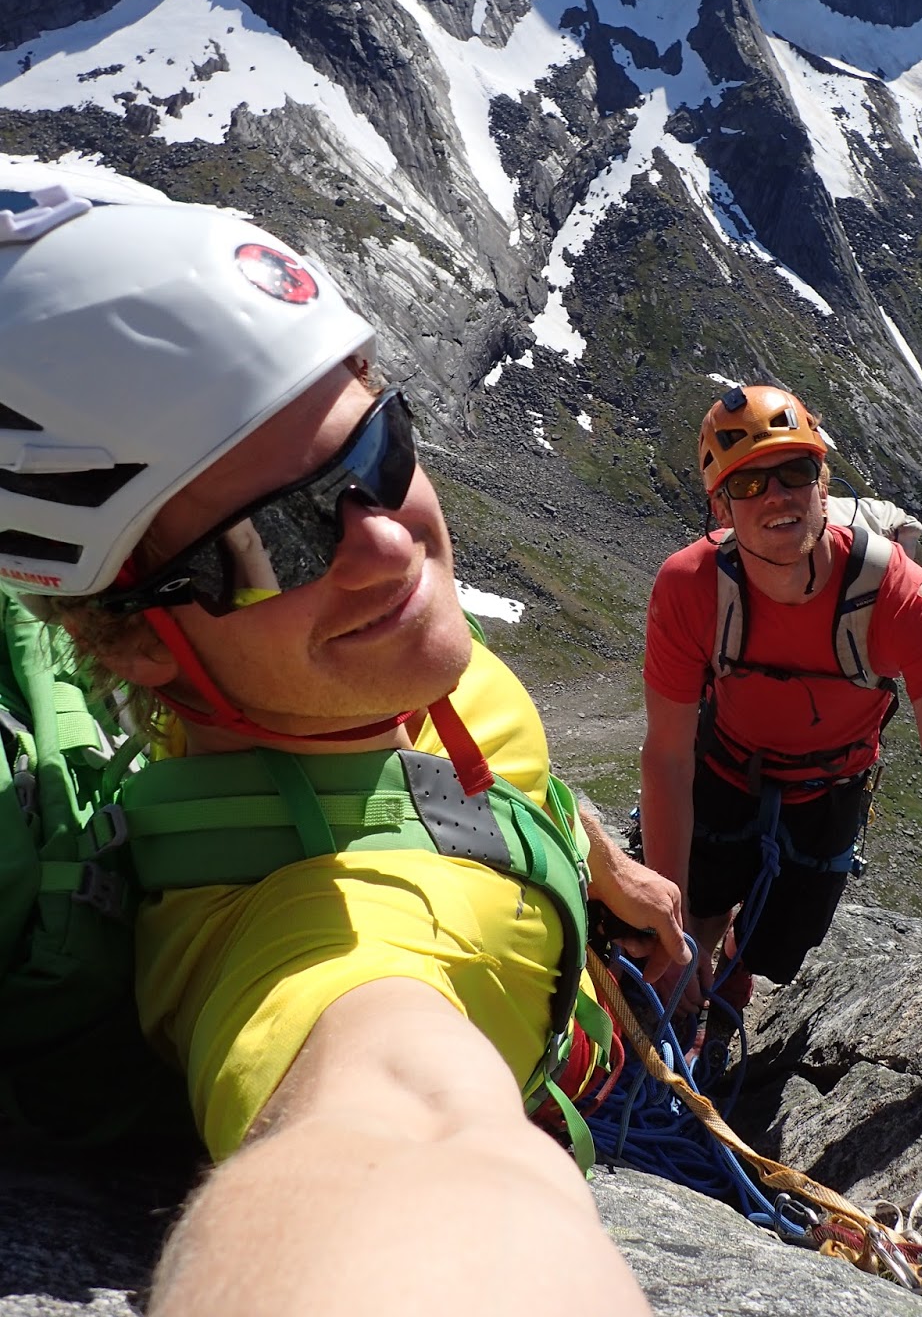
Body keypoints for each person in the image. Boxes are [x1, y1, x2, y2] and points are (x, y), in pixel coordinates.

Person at [0, 170, 688, 1317]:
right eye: (278, 537)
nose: (386, 544)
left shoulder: (369, 675)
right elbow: (400, 1132)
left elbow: (446, 780)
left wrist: (587, 850)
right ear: (140, 645)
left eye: (376, 451)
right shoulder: (298, 934)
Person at [639, 383, 922, 1108]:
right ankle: (701, 971)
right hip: (722, 767)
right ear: (720, 510)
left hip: (831, 790)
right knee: (697, 912)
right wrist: (672, 936)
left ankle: (737, 967)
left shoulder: (906, 601)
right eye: (750, 483)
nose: (778, 495)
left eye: (795, 471)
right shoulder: (689, 589)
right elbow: (665, 757)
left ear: (824, 482)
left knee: (778, 952)